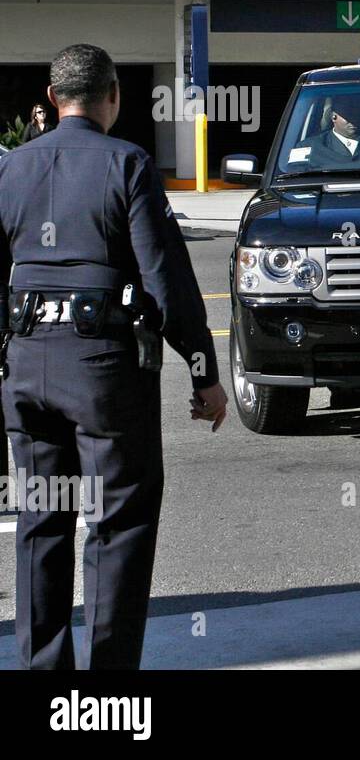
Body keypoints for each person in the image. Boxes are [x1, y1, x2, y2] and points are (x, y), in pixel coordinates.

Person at [0, 43, 227, 669]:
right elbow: (167, 280)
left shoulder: (12, 169)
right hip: (102, 372)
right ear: (114, 98)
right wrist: (203, 370)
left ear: (53, 98)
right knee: (116, 525)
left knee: (41, 525)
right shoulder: (127, 164)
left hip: (27, 367)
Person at [297, 93, 360, 166]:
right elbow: (295, 178)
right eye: (348, 114)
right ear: (333, 116)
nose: (354, 119)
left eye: (358, 113)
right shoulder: (307, 147)